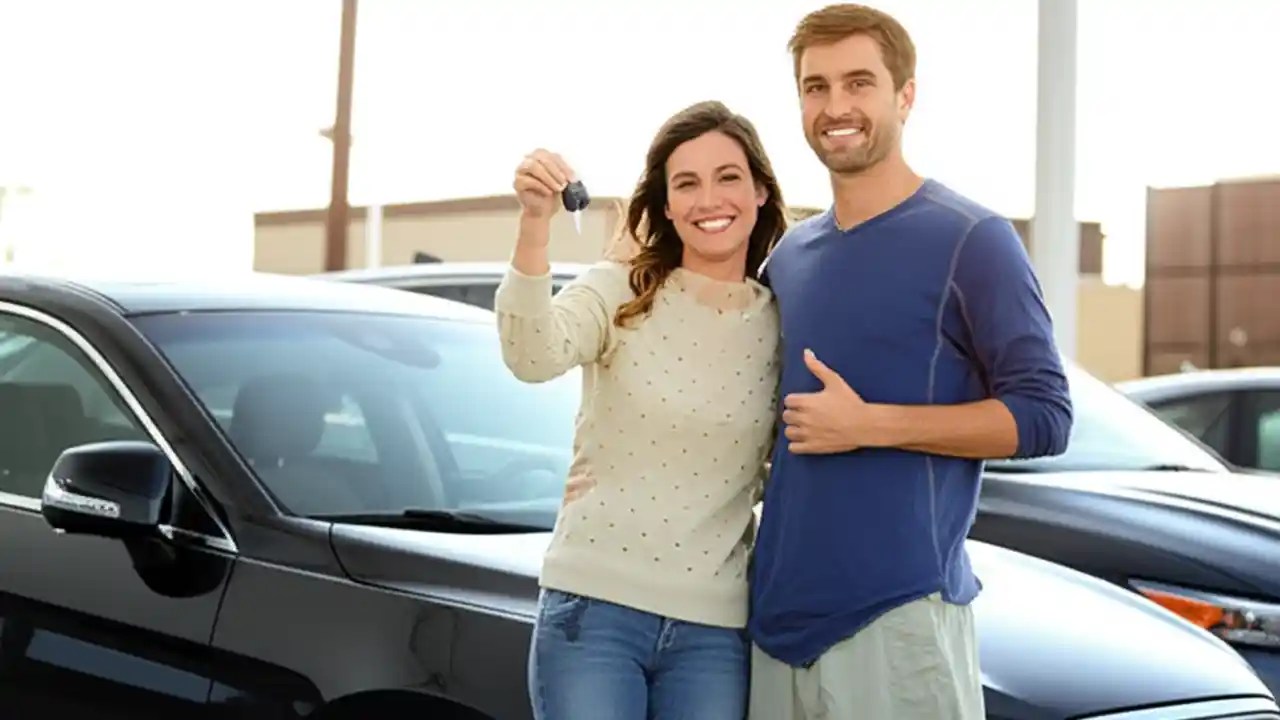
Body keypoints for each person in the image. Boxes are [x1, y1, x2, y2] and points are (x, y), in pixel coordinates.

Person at [747, 4, 1074, 720]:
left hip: (897, 624)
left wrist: (870, 425)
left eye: (859, 83)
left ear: (906, 94)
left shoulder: (973, 240)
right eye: (816, 86)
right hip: (774, 629)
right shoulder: (790, 258)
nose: (836, 106)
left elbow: (1046, 416)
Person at [495, 100, 789, 720]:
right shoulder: (622, 289)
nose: (709, 199)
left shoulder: (782, 322)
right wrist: (534, 225)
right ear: (666, 203)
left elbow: (769, 469)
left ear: (760, 190)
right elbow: (531, 354)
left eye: (728, 177)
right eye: (686, 183)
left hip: (715, 630)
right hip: (593, 614)